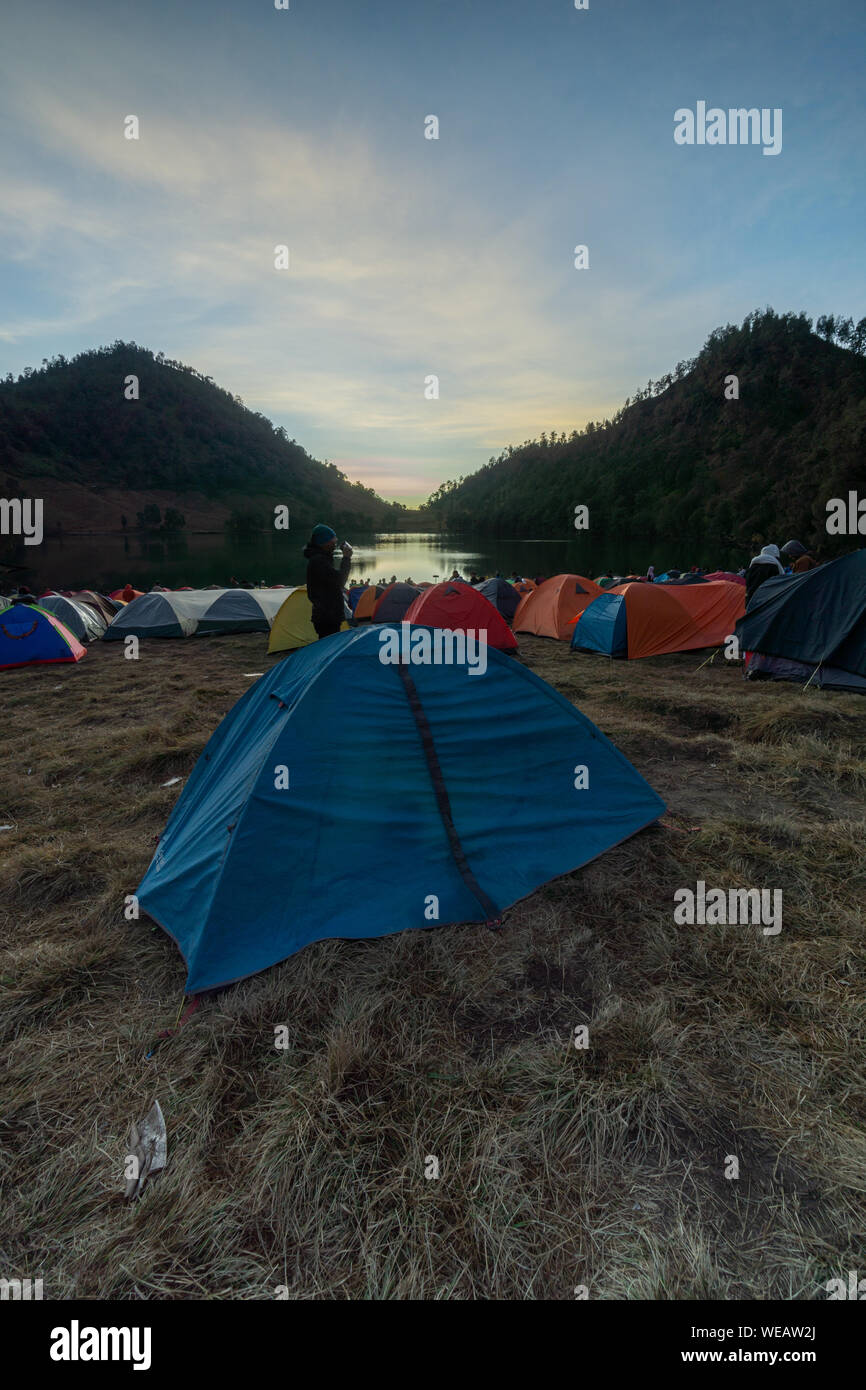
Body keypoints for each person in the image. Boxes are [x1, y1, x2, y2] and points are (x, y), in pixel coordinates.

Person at [304, 524, 352, 639]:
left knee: (329, 647)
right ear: (323, 542)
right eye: (332, 539)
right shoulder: (319, 561)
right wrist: (346, 558)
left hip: (328, 615)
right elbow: (340, 581)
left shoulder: (322, 558)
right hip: (327, 617)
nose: (335, 542)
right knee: (329, 648)